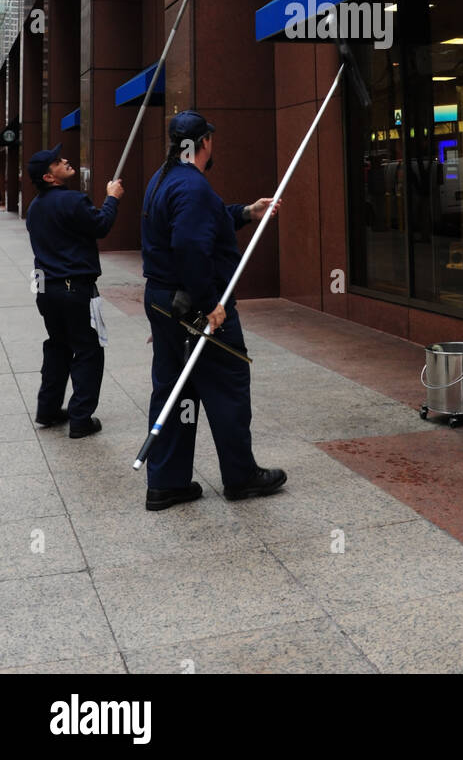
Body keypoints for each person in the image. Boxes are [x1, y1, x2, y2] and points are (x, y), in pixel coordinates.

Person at [141, 110, 286, 512]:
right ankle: (241, 477)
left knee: (176, 391)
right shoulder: (193, 188)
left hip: (164, 301)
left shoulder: (164, 179)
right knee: (228, 386)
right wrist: (211, 307)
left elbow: (199, 222)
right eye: (212, 139)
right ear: (204, 142)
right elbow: (190, 247)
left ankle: (167, 483)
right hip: (194, 308)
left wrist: (244, 213)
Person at [25, 144, 124, 437]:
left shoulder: (34, 208)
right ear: (49, 177)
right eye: (58, 161)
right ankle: (81, 418)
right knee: (87, 350)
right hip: (73, 288)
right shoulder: (72, 200)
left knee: (57, 345)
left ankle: (49, 409)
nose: (66, 160)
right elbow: (101, 225)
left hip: (45, 289)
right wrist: (112, 198)